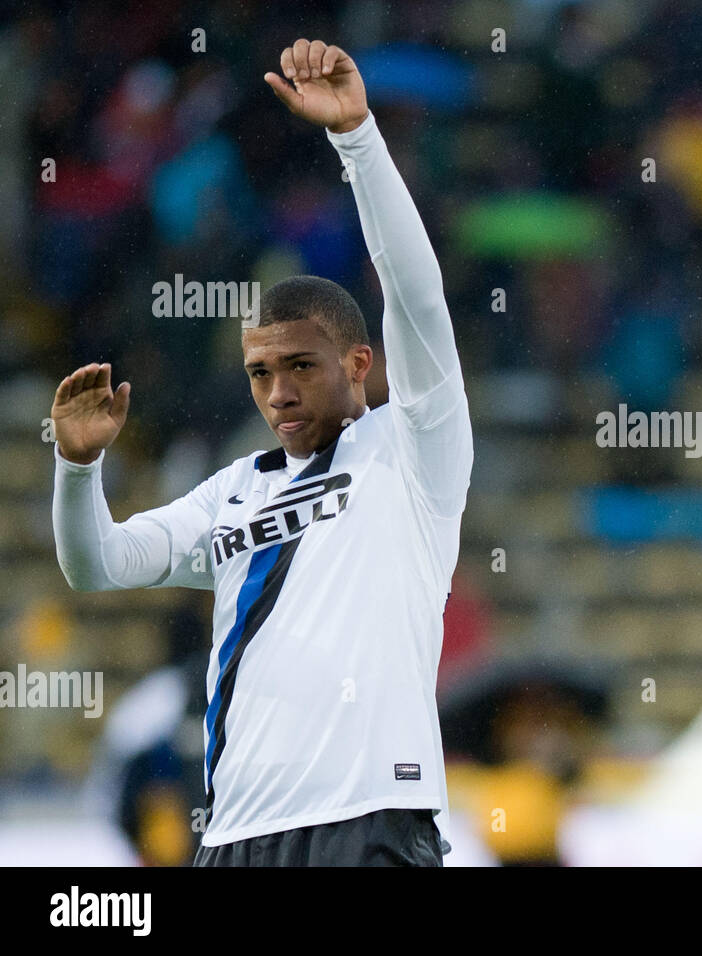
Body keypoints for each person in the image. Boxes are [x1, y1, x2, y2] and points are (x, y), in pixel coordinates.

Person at [50, 39, 472, 866]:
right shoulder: (231, 493)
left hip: (370, 819)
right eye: (260, 373)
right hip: (236, 836)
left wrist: (357, 141)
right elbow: (96, 563)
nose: (277, 392)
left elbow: (416, 296)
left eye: (300, 368)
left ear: (359, 364)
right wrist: (77, 469)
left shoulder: (414, 451)